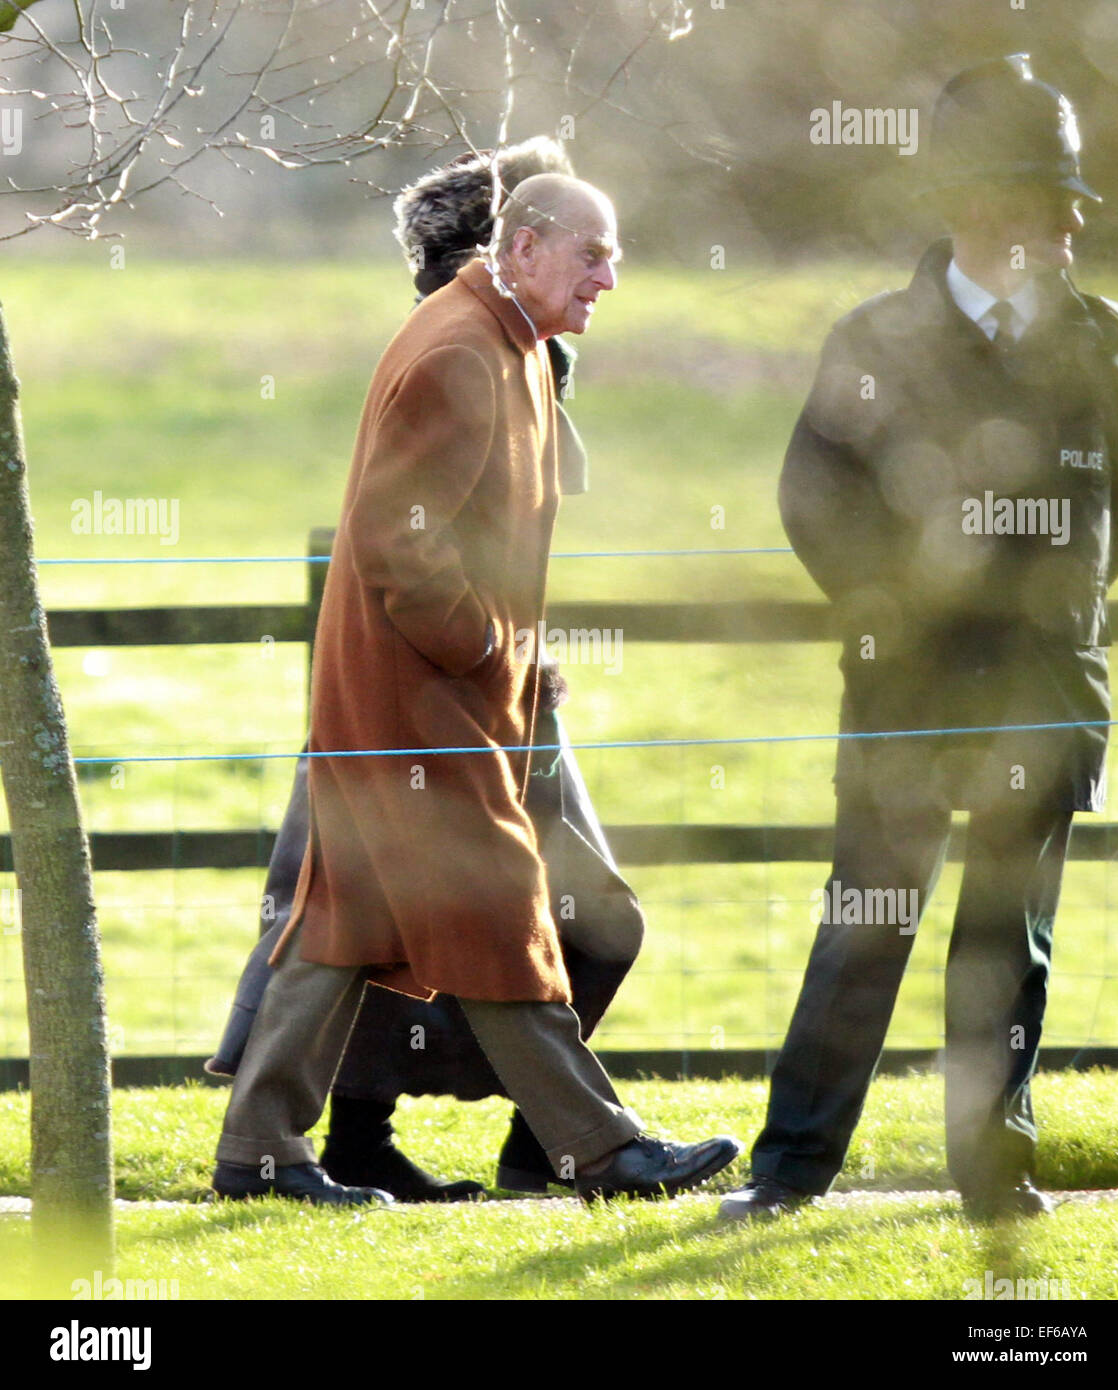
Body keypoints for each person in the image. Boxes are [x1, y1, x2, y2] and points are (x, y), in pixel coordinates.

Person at [211, 171, 740, 1206]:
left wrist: (513, 656)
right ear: (528, 245)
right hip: (420, 702)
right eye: (593, 254)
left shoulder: (517, 347)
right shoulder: (461, 351)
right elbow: (396, 545)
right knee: (501, 908)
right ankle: (599, 1146)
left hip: (431, 694)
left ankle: (258, 1155)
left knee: (339, 926)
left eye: (613, 255)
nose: (610, 277)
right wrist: (493, 648)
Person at [719, 54, 1118, 1223]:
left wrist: (1048, 609)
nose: (1063, 227)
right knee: (865, 931)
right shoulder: (873, 341)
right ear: (972, 208)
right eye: (1040, 202)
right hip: (905, 694)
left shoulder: (1111, 348)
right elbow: (814, 499)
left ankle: (993, 1173)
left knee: (1011, 948)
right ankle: (789, 1171)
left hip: (1050, 695)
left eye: (1067, 206)